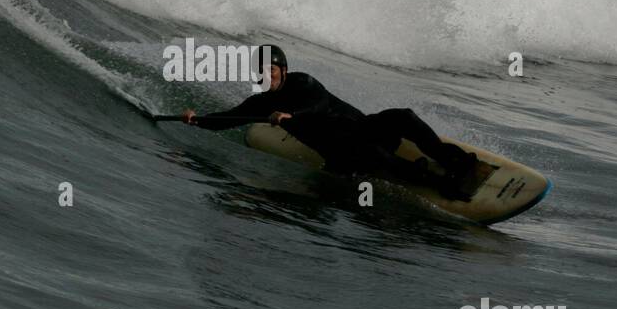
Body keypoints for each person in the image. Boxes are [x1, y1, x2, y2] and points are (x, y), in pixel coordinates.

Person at [179, 45, 480, 199]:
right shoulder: (260, 103)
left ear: (283, 70)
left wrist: (290, 116)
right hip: (344, 158)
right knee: (369, 155)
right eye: (258, 72)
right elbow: (228, 119)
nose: (263, 77)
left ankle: (451, 161)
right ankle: (443, 186)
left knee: (402, 116)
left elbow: (318, 105)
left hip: (366, 129)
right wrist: (197, 120)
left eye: (269, 70)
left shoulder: (304, 83)